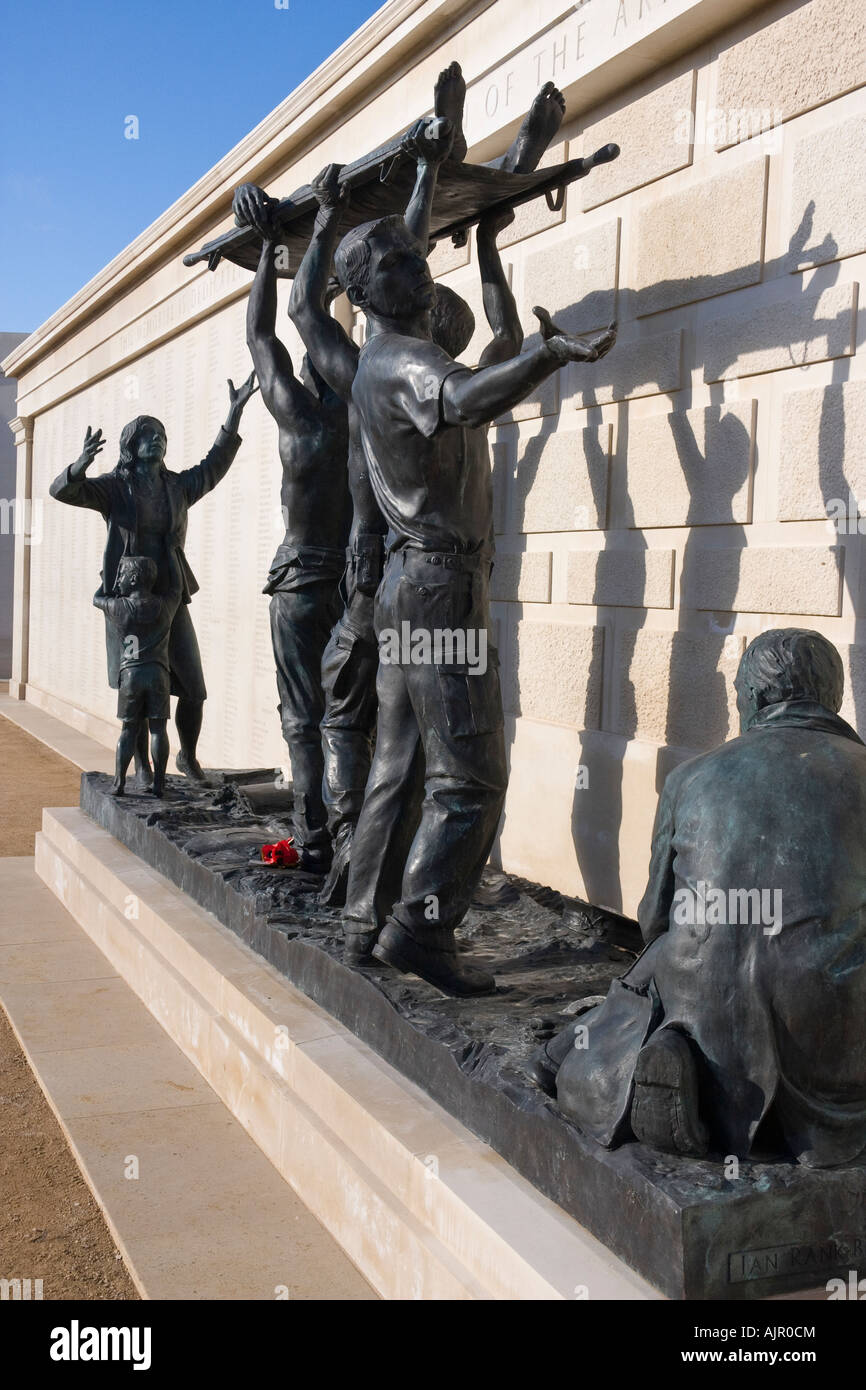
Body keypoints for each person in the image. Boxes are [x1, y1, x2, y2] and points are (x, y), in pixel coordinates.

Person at [283, 107, 615, 996]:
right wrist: (547, 354)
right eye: (395, 262)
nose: (417, 266)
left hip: (409, 585)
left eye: (416, 255)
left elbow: (470, 355)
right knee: (470, 775)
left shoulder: (393, 356)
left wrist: (474, 225)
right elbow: (470, 396)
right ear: (366, 292)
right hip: (437, 588)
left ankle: (364, 918)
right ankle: (423, 934)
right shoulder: (399, 363)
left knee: (399, 763)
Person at [536, 629, 866, 1169]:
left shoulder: (690, 777)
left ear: (758, 699)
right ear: (829, 697)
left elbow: (653, 919)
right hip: (831, 1038)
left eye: (738, 692)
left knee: (667, 955)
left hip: (708, 1012)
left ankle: (666, 1060)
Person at [49, 376, 258, 784]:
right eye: (148, 436)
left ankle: (188, 757)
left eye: (161, 436)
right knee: (138, 688)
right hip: (126, 603)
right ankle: (143, 768)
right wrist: (80, 465)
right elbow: (62, 491)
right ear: (131, 445)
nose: (157, 441)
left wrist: (232, 416)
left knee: (193, 687)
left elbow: (212, 467)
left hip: (170, 598)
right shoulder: (114, 488)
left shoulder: (177, 486)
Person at [232, 185, 353, 872]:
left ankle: (314, 839)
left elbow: (259, 335)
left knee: (303, 719)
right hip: (350, 580)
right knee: (346, 720)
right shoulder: (365, 417)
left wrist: (265, 256)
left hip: (300, 579)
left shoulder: (302, 424)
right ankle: (348, 837)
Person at [93, 555, 179, 798]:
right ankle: (159, 783)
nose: (118, 580)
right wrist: (172, 554)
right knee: (158, 730)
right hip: (158, 674)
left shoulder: (117, 607)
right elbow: (177, 588)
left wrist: (105, 579)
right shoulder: (165, 605)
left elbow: (97, 598)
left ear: (133, 579)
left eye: (122, 575)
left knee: (128, 730)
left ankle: (119, 782)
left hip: (131, 675)